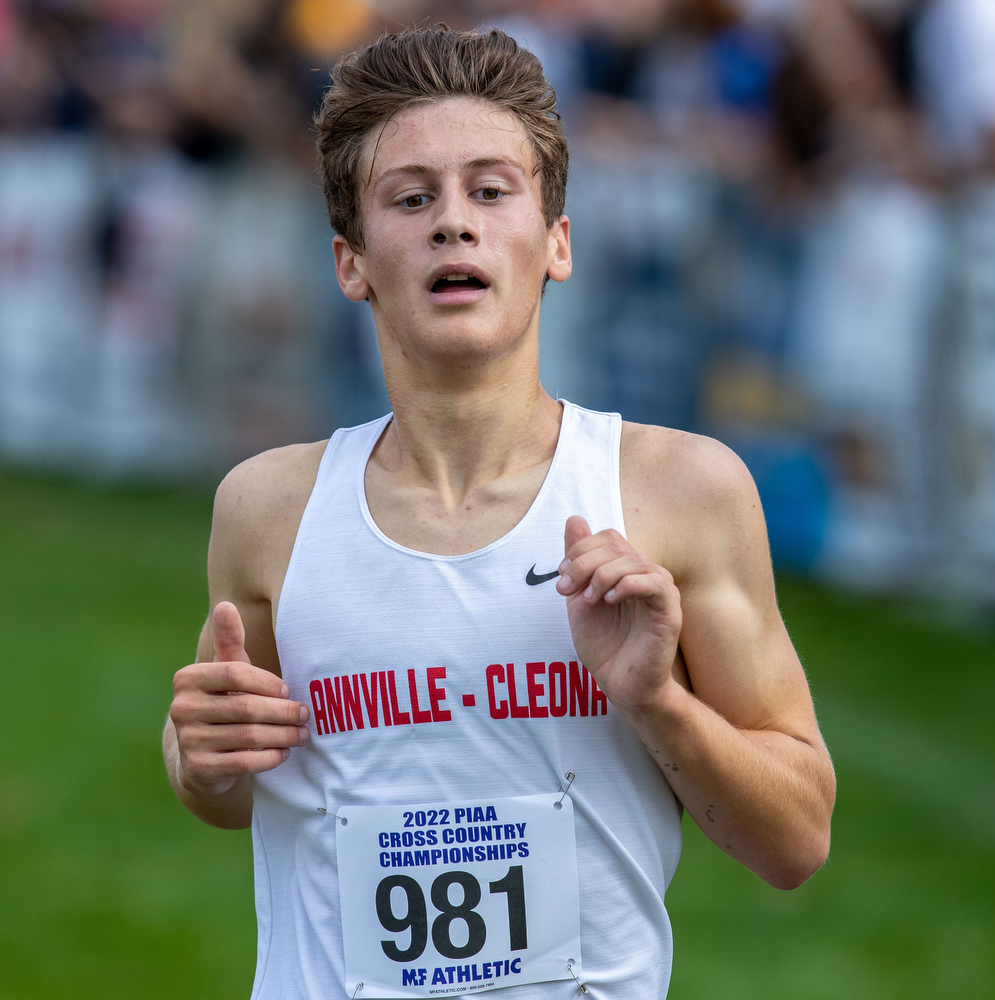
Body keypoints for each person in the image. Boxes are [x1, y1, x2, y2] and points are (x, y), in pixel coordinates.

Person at [163, 25, 835, 1000]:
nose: (453, 223)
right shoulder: (268, 507)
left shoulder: (675, 492)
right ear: (350, 262)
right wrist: (197, 754)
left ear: (556, 243)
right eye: (410, 198)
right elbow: (227, 782)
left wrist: (655, 701)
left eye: (489, 190)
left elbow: (796, 838)